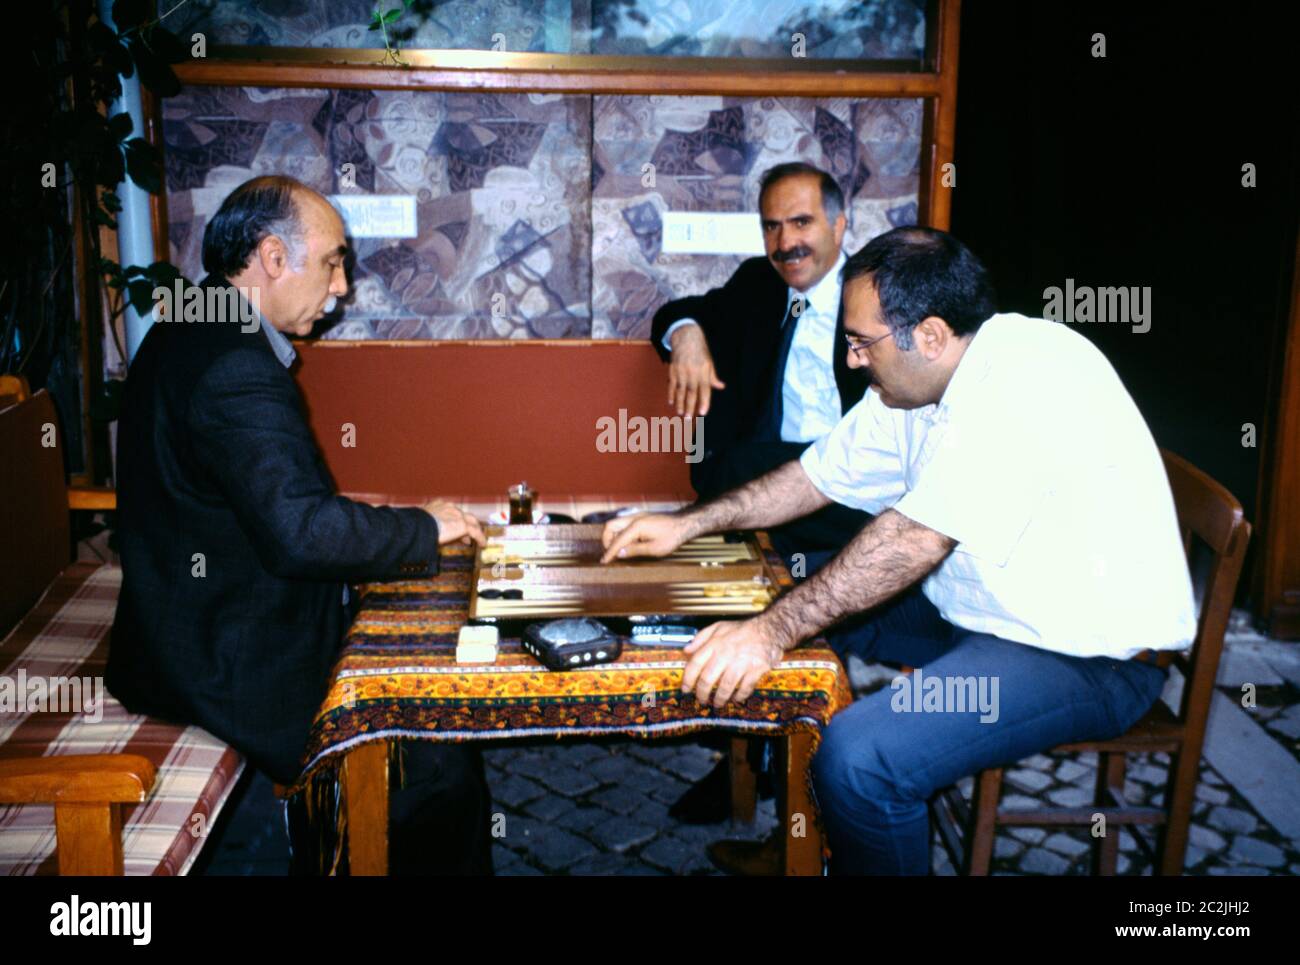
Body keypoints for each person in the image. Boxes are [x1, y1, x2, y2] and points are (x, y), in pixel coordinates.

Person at [602, 226, 1194, 874]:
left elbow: (913, 539)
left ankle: (845, 807)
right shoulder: (911, 383)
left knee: (860, 759)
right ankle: (806, 838)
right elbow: (812, 476)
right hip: (982, 608)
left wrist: (767, 634)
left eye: (861, 342)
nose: (852, 359)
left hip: (1085, 653)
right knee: (787, 601)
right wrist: (690, 524)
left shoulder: (1027, 373)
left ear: (931, 335)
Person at [106, 175, 494, 875]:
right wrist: (424, 529)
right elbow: (301, 533)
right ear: (273, 257)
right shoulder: (233, 365)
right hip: (222, 657)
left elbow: (275, 510)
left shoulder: (192, 325)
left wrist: (401, 528)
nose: (341, 287)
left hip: (192, 618)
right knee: (436, 763)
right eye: (332, 261)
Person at [650, 162, 876, 826]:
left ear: (839, 224)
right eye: (772, 226)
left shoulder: (878, 295)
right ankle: (746, 743)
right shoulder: (757, 283)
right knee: (701, 555)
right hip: (767, 489)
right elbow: (676, 311)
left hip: (854, 494)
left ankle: (762, 750)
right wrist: (687, 337)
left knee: (732, 535)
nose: (786, 243)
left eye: (802, 222)